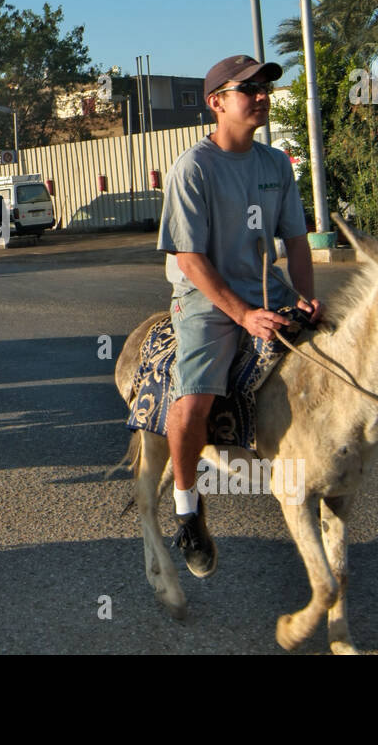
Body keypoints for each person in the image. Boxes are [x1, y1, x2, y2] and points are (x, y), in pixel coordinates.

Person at [157, 55, 323, 578]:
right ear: (216, 103)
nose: (260, 95)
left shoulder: (276, 164)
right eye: (246, 88)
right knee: (194, 399)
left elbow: (296, 240)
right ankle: (187, 510)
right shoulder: (194, 168)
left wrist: (306, 297)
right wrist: (245, 314)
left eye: (263, 87)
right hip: (207, 297)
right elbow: (189, 258)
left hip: (266, 286)